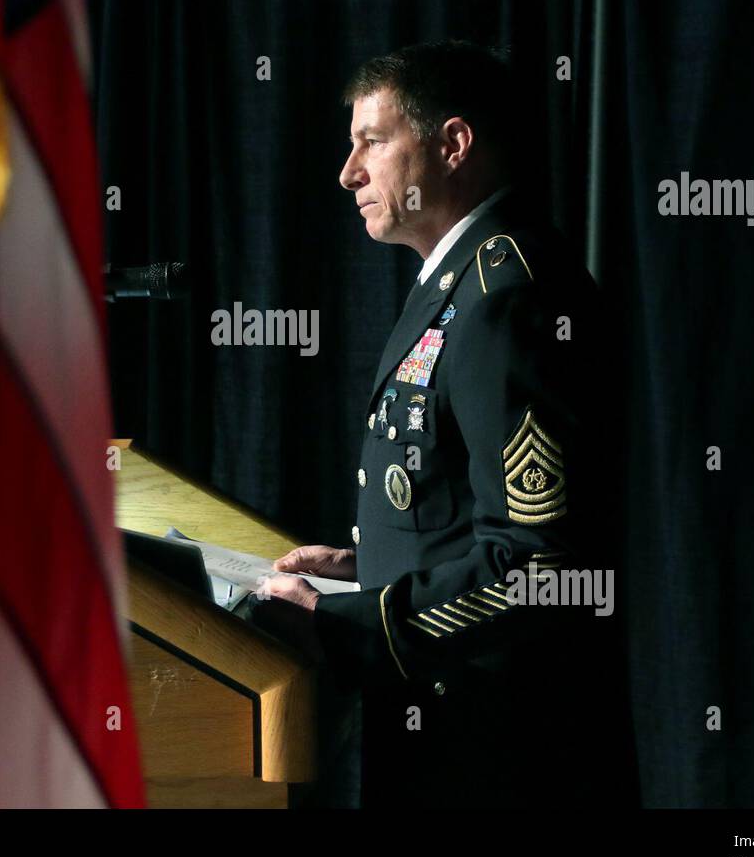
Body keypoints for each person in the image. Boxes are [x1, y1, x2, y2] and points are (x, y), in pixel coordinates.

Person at [256, 40, 635, 807]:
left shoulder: (507, 295)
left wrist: (349, 621)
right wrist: (364, 570)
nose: (348, 172)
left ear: (453, 144)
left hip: (504, 755)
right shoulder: (461, 282)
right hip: (447, 721)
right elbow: (456, 512)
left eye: (372, 141)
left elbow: (539, 566)